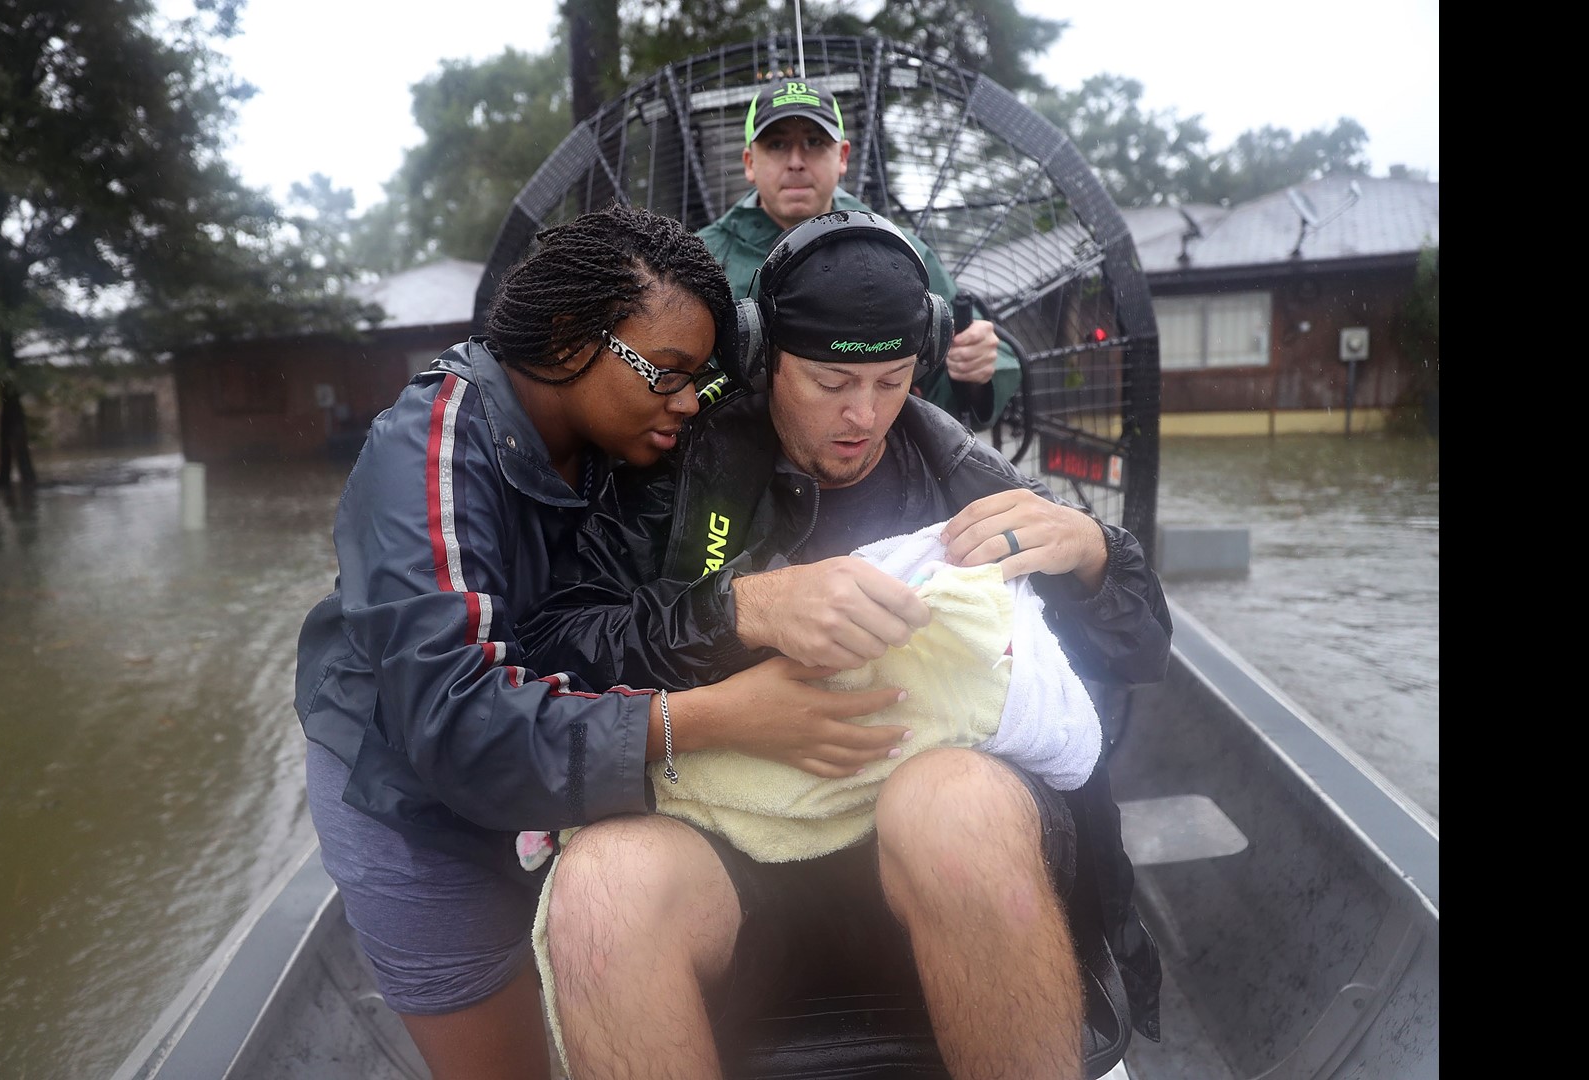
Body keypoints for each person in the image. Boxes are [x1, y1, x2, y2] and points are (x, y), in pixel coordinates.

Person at [519, 209, 1171, 1078]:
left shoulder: (962, 473)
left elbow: (1140, 653)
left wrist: (1095, 555)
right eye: (829, 383)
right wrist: (736, 611)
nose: (863, 415)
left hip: (928, 856)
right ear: (763, 356)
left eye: (892, 381)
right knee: (601, 886)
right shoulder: (672, 472)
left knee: (957, 805)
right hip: (734, 862)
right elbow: (553, 646)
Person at [290, 203, 917, 1080]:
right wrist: (720, 715)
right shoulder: (429, 452)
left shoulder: (617, 436)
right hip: (415, 801)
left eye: (701, 377)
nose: (689, 402)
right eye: (667, 374)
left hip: (574, 760)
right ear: (564, 339)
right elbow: (457, 723)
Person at [697, 76, 1024, 431]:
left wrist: (973, 367)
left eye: (814, 142)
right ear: (749, 162)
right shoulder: (702, 259)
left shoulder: (899, 251)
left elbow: (957, 382)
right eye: (776, 144)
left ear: (842, 157)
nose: (796, 161)